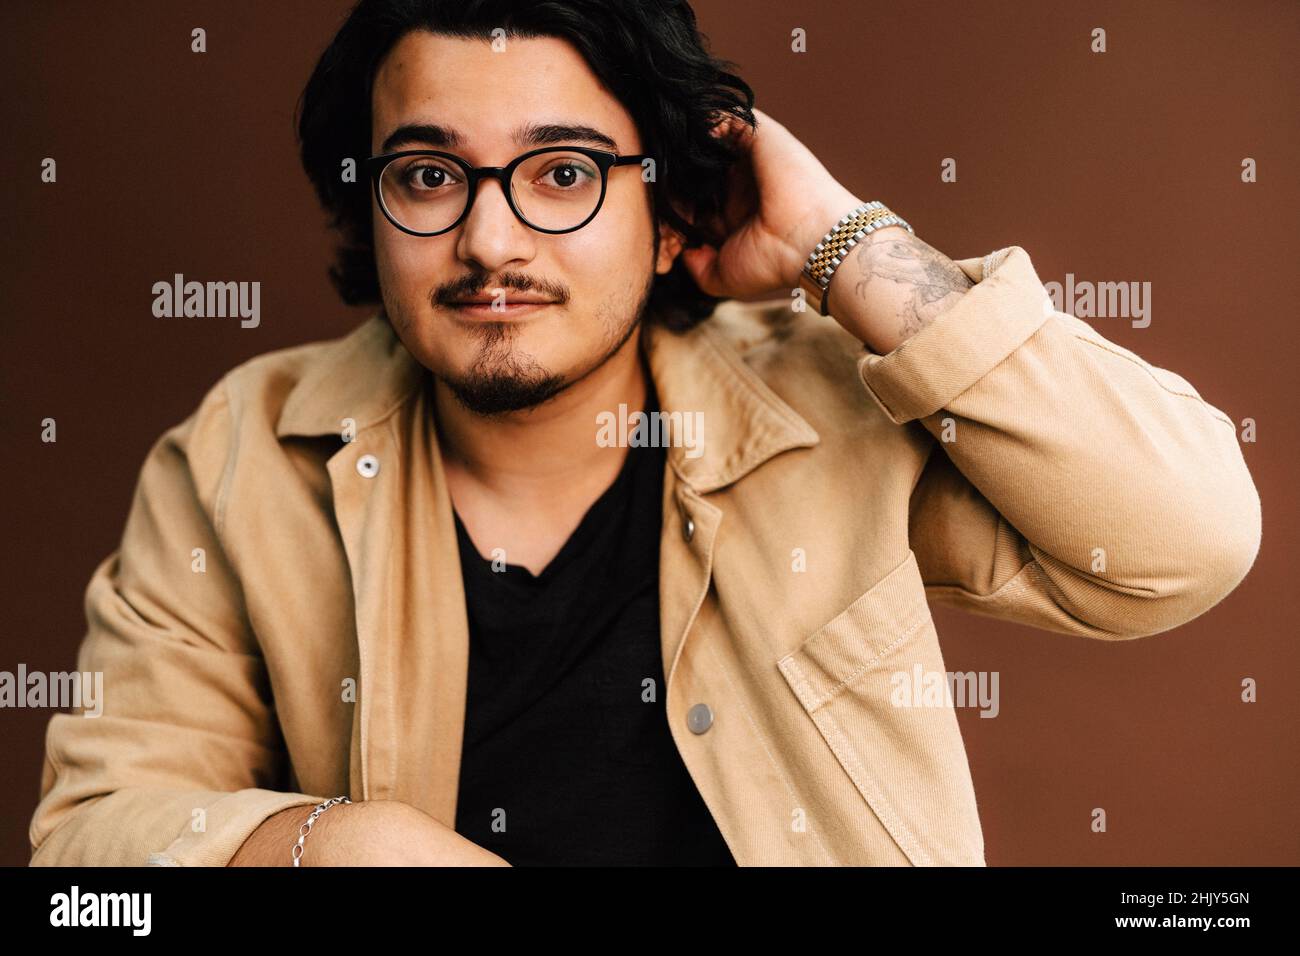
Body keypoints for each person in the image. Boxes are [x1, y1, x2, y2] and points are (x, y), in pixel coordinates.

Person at [30, 0, 1260, 867]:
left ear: (670, 208)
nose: (490, 241)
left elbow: (1181, 539)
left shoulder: (826, 406)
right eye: (426, 173)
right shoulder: (242, 450)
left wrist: (841, 245)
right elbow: (88, 868)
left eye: (561, 172)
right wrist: (331, 843)